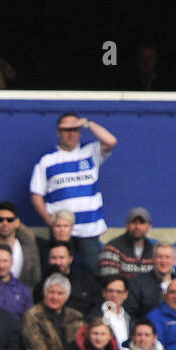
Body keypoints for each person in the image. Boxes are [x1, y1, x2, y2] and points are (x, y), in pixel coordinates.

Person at [29, 113, 118, 275]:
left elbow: (111, 141)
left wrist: (87, 123)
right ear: (58, 132)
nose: (71, 134)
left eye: (75, 129)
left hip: (88, 230)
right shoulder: (47, 161)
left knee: (93, 273)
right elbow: (36, 195)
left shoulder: (90, 152)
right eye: (66, 130)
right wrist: (51, 222)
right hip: (62, 232)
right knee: (58, 272)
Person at [20, 272, 84, 350]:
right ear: (45, 293)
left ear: (66, 296)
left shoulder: (75, 316)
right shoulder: (33, 316)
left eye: (60, 293)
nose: (55, 297)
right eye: (51, 292)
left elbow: (82, 349)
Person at [98, 207, 156, 280]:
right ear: (127, 225)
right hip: (122, 291)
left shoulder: (155, 250)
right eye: (134, 222)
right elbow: (109, 281)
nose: (137, 227)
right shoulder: (112, 248)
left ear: (149, 226)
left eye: (142, 223)